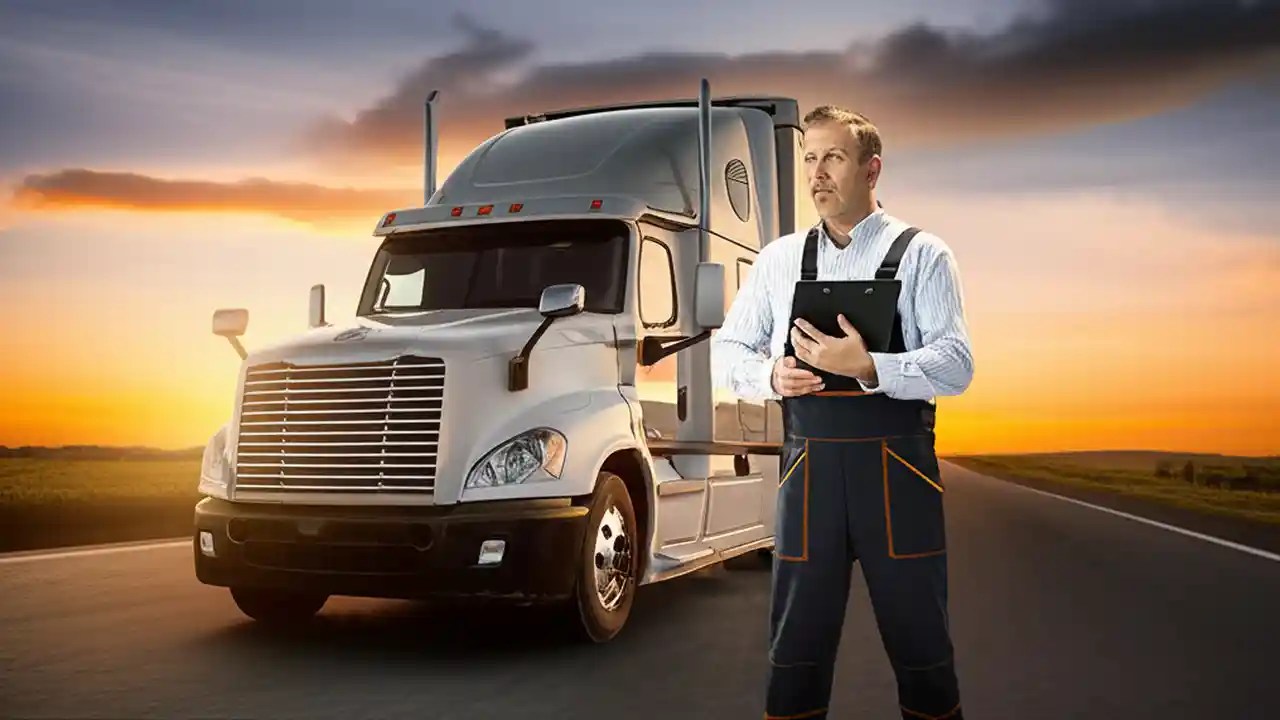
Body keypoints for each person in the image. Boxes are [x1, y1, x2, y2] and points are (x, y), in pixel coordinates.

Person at [710, 105, 975, 720]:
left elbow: (957, 364)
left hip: (898, 477)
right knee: (796, 645)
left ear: (871, 168)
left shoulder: (923, 254)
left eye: (833, 158)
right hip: (809, 478)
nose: (817, 173)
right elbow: (727, 351)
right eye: (809, 158)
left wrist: (871, 367)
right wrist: (770, 375)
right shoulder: (778, 260)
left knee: (921, 644)